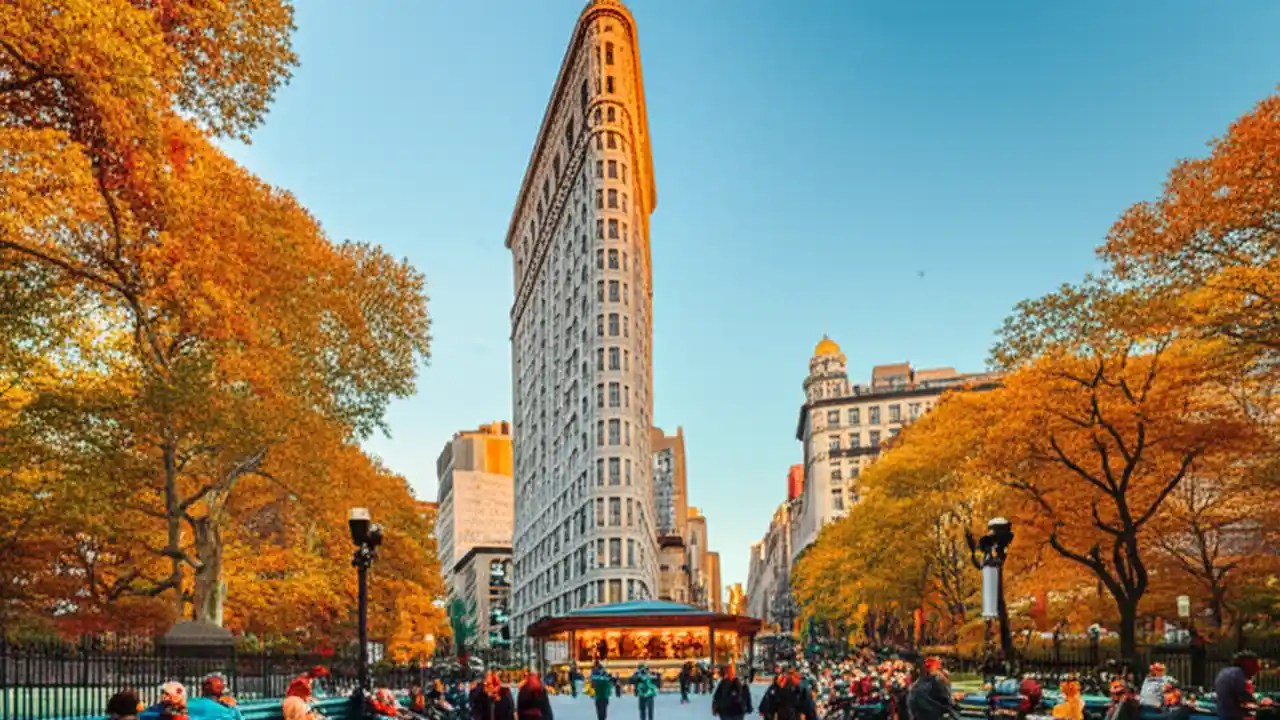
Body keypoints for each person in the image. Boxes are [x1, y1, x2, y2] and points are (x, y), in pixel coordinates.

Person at [1215, 651, 1260, 720]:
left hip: (1222, 714)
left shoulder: (1225, 671)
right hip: (1233, 716)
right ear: (1248, 664)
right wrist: (1259, 702)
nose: (1257, 669)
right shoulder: (1238, 674)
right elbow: (1244, 697)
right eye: (1255, 665)